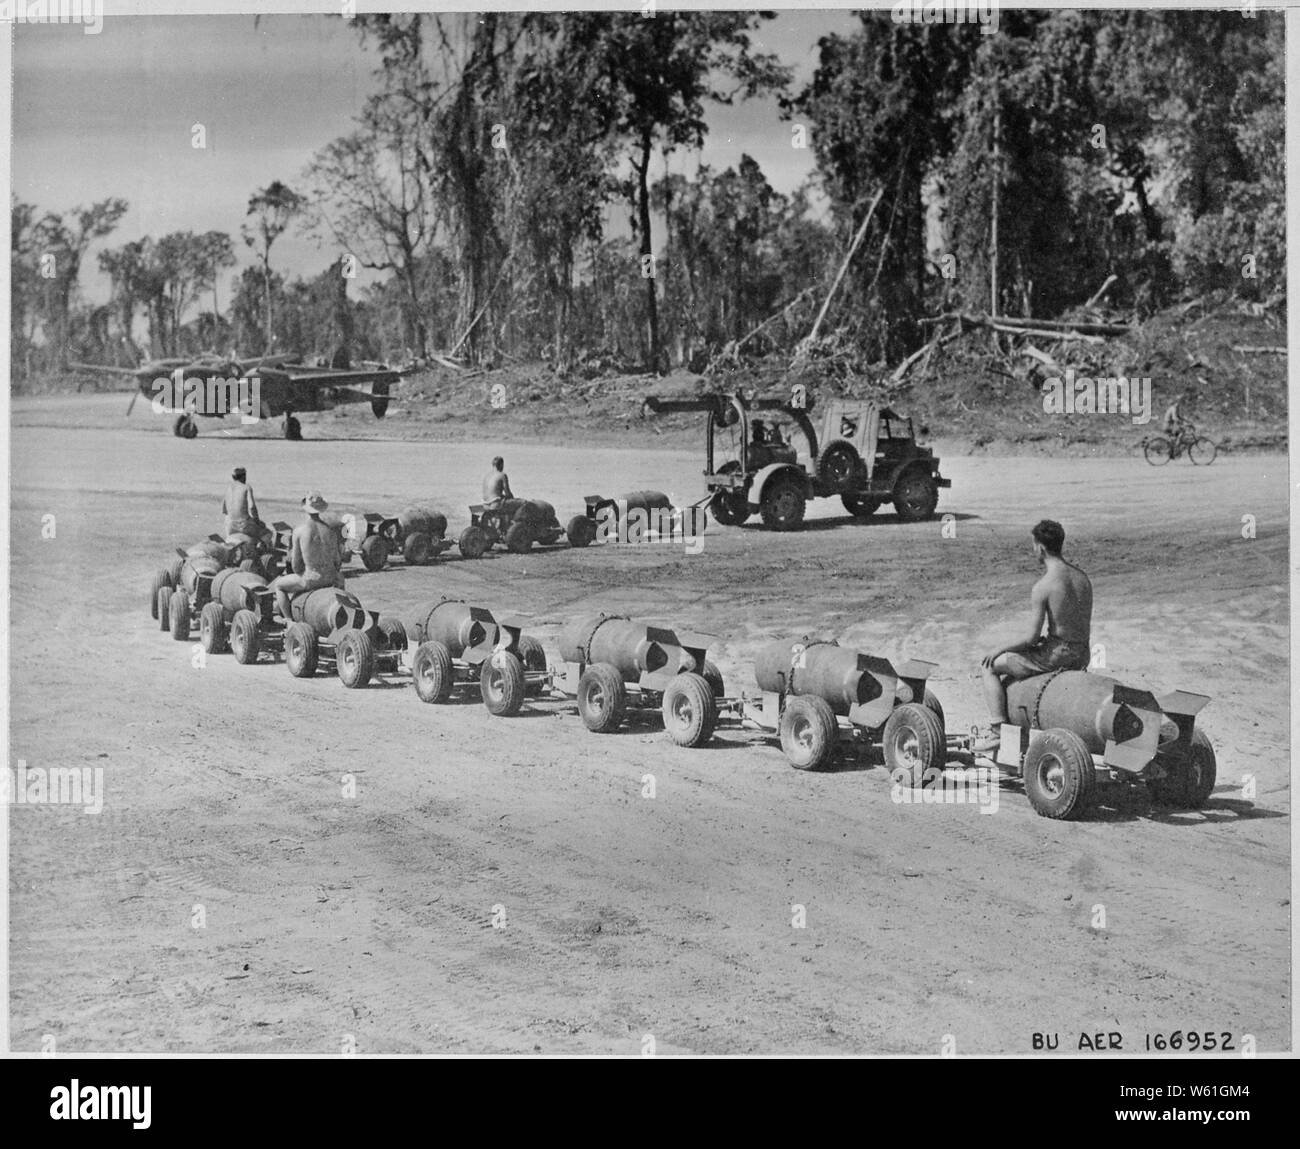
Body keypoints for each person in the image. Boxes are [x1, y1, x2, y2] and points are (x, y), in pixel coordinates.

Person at [974, 520, 1093, 753]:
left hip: (1055, 656)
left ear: (1039, 548)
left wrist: (998, 649)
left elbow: (1030, 637)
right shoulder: (1082, 578)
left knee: (989, 667)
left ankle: (997, 730)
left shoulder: (1044, 586)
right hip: (1082, 654)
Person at [269, 492, 347, 621]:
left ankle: (289, 620)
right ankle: (341, 612)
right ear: (321, 509)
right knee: (341, 580)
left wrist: (306, 571)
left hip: (311, 579)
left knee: (279, 585)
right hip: (332, 577)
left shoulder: (300, 530)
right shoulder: (330, 531)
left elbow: (295, 566)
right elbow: (337, 562)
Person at [222, 467, 261, 538]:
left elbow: (224, 510)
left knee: (227, 519)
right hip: (244, 527)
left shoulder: (228, 488)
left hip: (230, 527)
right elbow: (252, 507)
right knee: (266, 531)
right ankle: (261, 547)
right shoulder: (246, 487)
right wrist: (257, 521)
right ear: (243, 476)